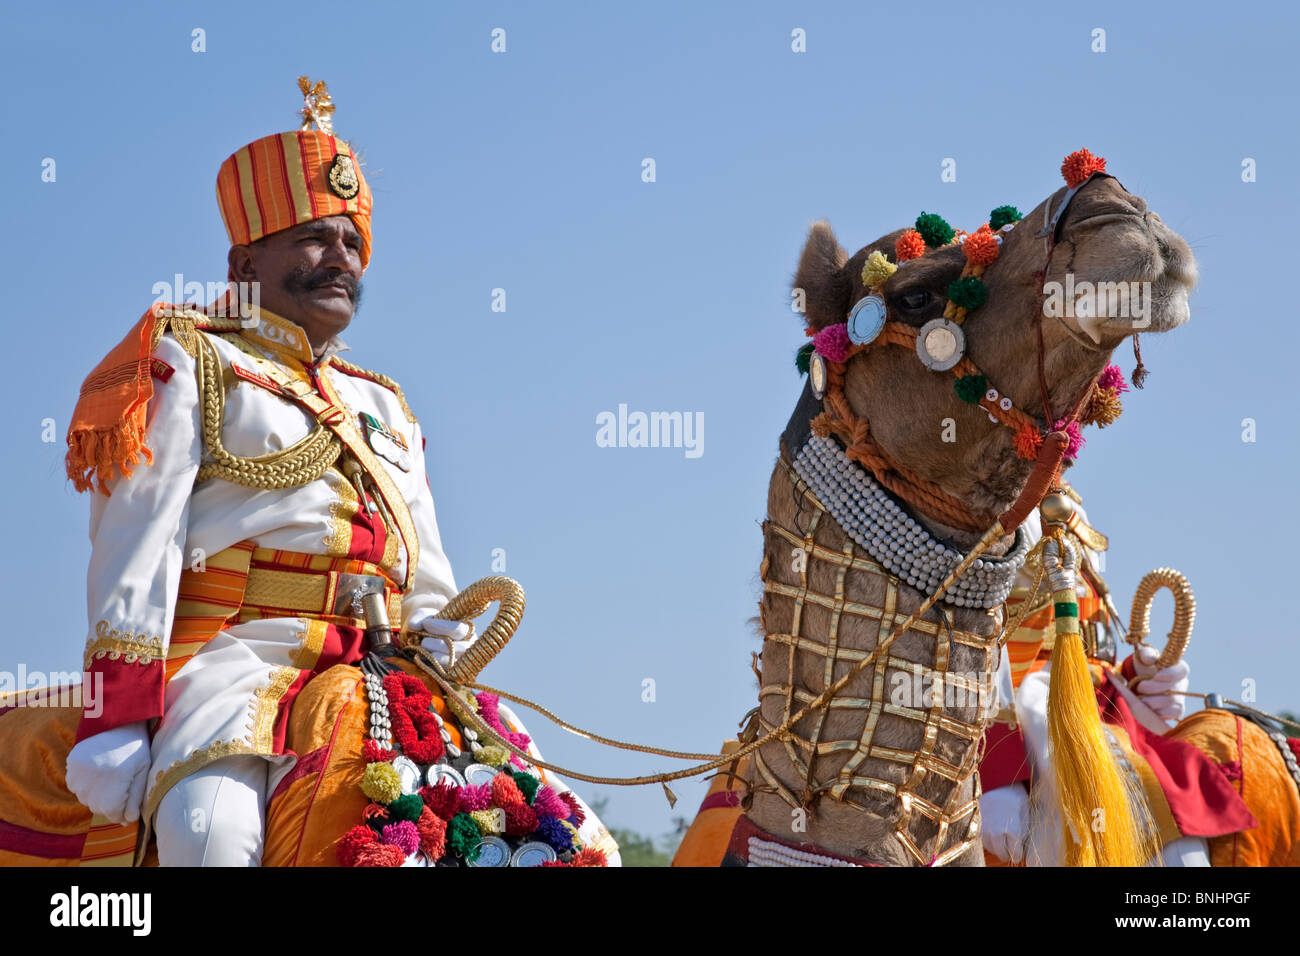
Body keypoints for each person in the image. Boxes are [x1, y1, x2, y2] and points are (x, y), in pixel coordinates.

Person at [62, 79, 485, 865]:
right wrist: (115, 715)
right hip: (240, 660)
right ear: (245, 257)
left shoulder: (384, 402)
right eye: (315, 240)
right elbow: (136, 545)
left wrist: (446, 641)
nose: (341, 260)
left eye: (353, 244)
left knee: (546, 820)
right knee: (208, 836)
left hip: (388, 671)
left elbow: (424, 567)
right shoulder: (190, 358)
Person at [978, 485, 1255, 866]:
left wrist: (1137, 677)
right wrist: (998, 775)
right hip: (1029, 718)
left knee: (1178, 816)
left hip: (1102, 709)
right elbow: (976, 639)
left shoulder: (1067, 501)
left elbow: (1082, 646)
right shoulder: (984, 497)